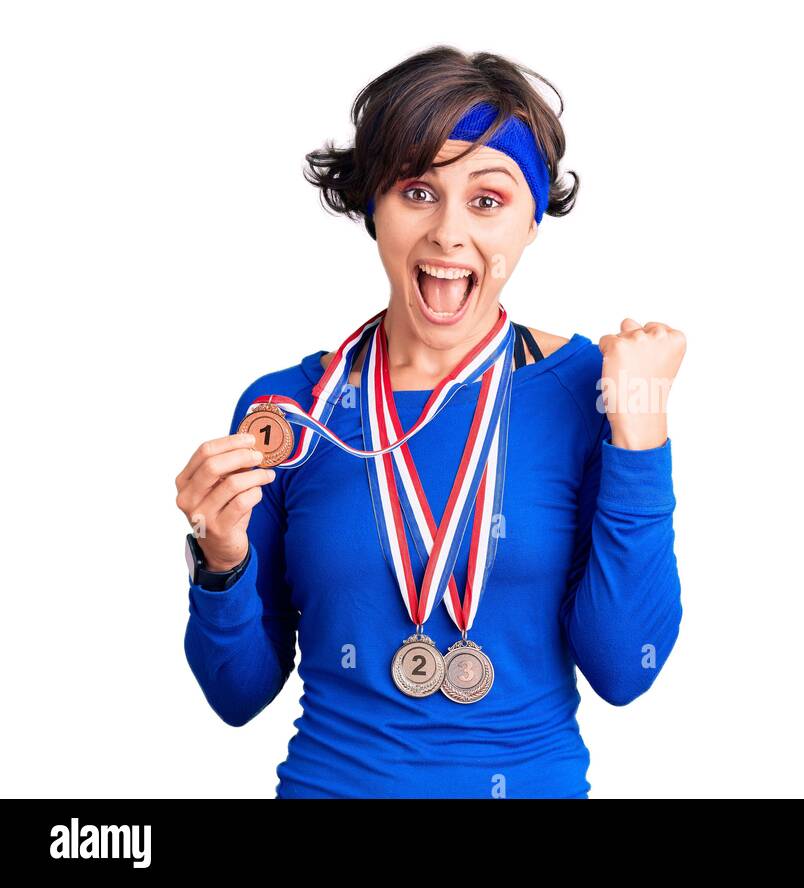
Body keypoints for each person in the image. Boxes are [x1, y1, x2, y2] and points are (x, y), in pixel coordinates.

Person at [173, 46, 686, 798]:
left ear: (532, 221)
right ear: (372, 207)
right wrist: (219, 559)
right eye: (417, 191)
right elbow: (237, 695)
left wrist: (640, 435)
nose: (448, 232)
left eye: (488, 199)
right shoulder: (291, 411)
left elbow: (623, 669)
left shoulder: (594, 389)